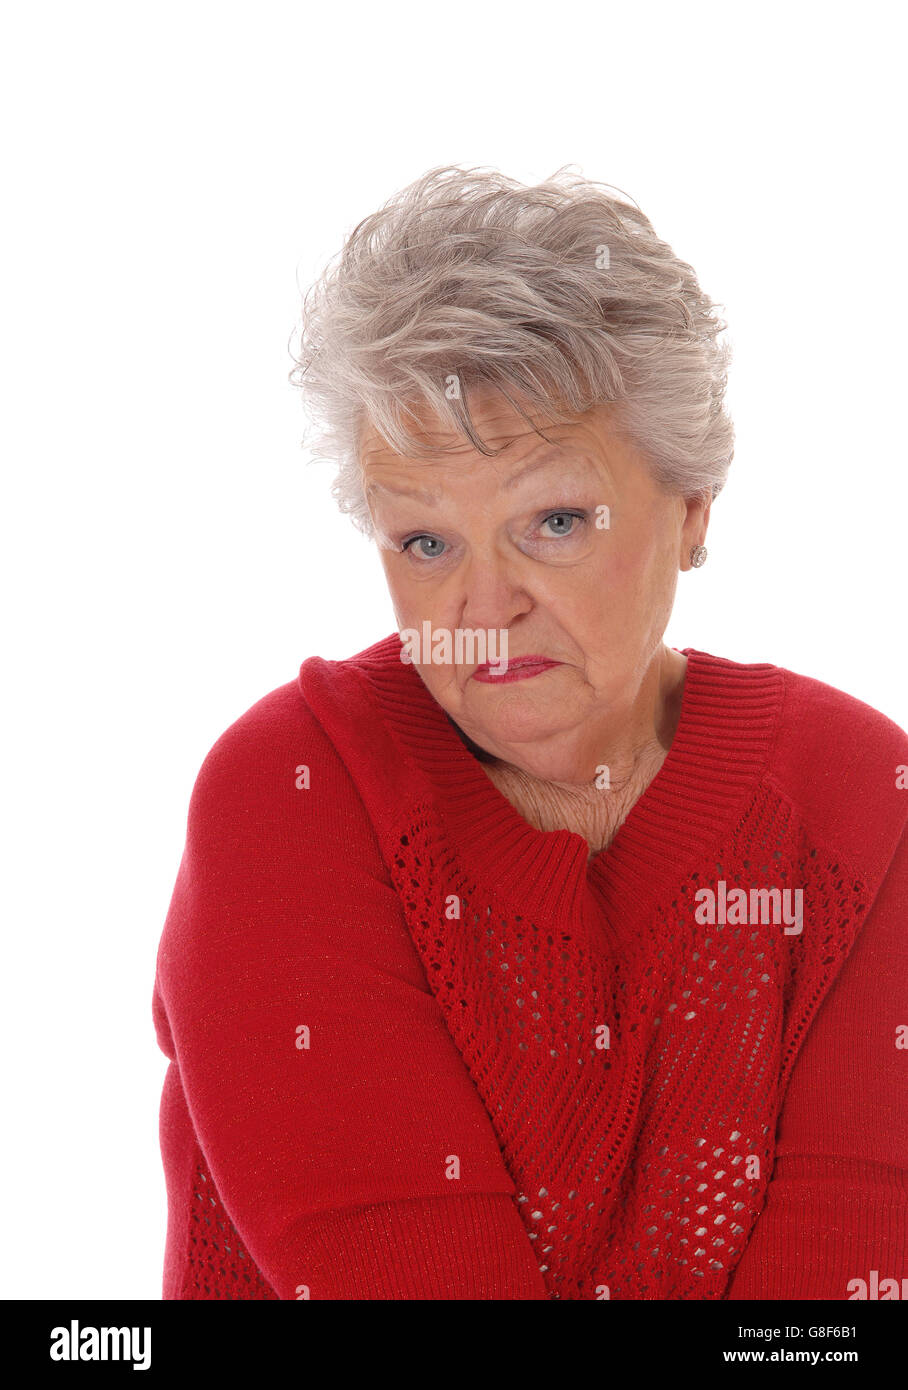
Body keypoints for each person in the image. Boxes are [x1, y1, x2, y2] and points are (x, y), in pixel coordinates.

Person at [152, 165, 908, 1300]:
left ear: (691, 506)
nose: (481, 608)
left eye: (551, 521)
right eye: (424, 543)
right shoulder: (297, 789)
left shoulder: (859, 803)